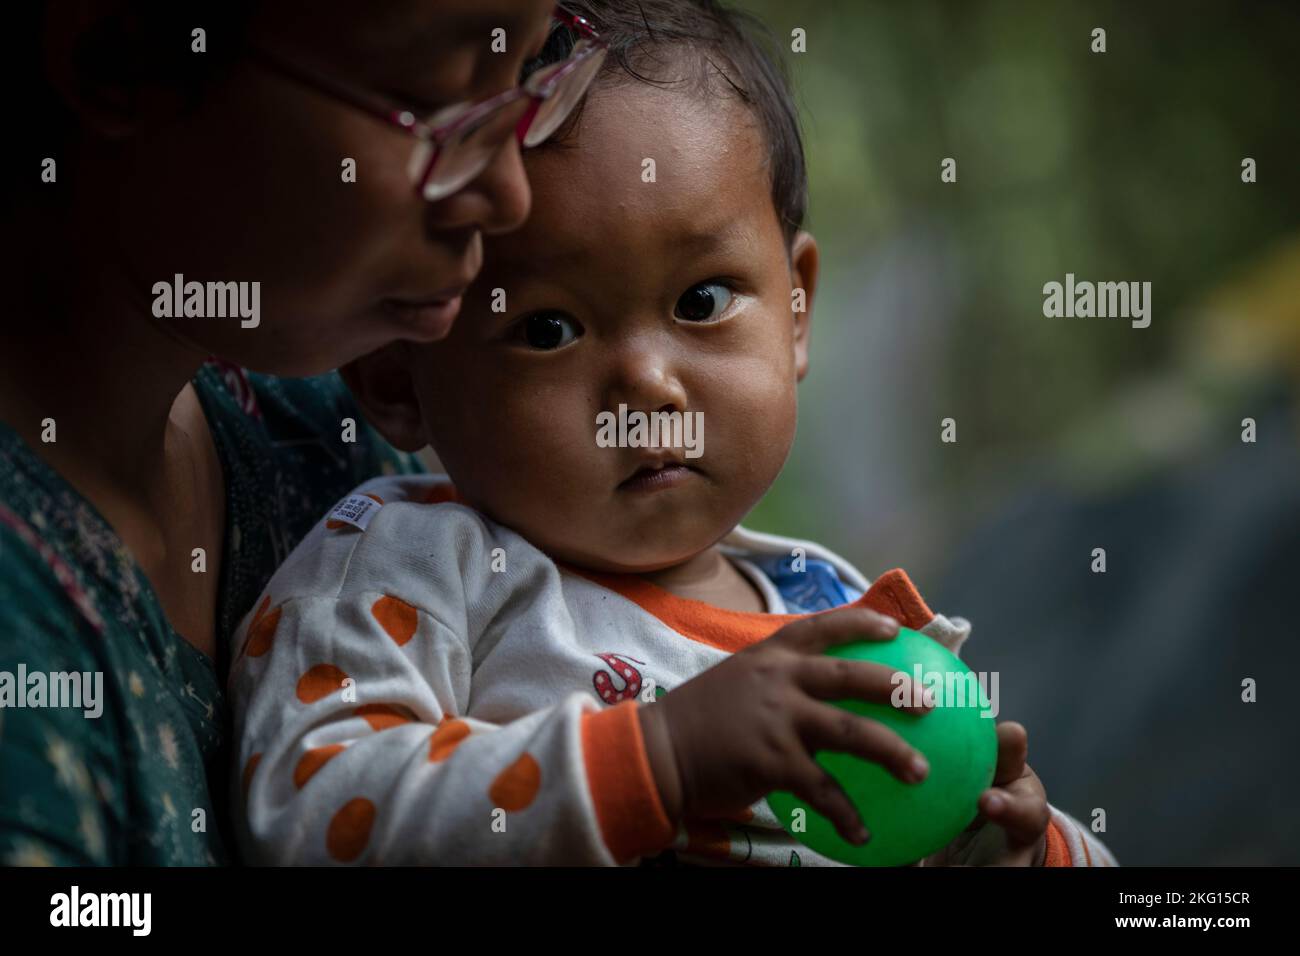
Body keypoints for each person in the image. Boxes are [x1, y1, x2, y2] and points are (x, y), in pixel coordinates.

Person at [227, 0, 1115, 866]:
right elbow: (311, 811)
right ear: (396, 377)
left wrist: (1012, 848)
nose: (648, 384)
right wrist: (659, 758)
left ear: (797, 312)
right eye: (548, 329)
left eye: (702, 302)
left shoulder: (840, 621)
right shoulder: (410, 569)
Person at [0, 0, 597, 865]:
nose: (509, 191)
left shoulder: (321, 440)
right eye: (430, 103)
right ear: (115, 56)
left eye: (536, 65)